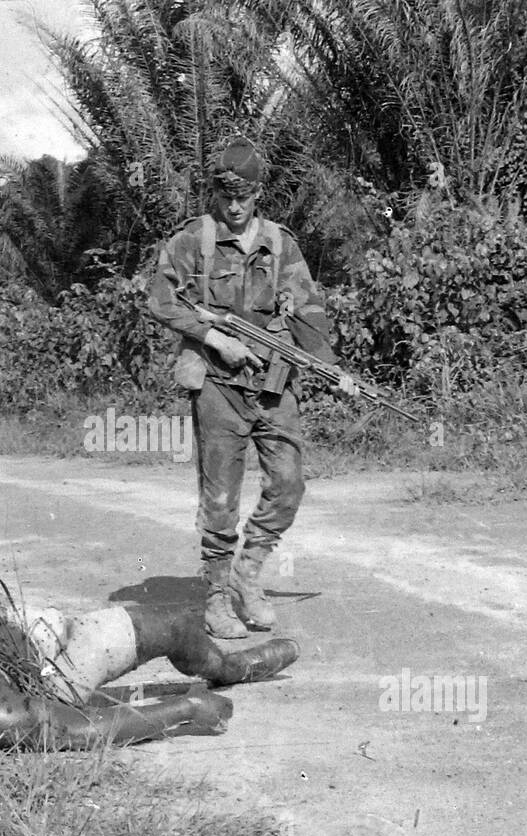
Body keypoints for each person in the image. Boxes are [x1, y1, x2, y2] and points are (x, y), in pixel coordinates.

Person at [148, 137, 356, 639]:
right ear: (214, 194)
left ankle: (247, 574)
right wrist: (212, 336)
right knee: (220, 498)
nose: (235, 207)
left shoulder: (280, 242)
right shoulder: (192, 240)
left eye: (244, 197)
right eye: (225, 197)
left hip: (273, 382)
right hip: (218, 385)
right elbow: (159, 298)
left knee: (288, 483)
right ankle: (217, 598)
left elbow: (308, 309)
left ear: (259, 193)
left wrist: (332, 368)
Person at [0, 587, 299, 750]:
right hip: (49, 681)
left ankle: (229, 665)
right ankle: (223, 673)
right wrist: (184, 708)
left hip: (18, 657)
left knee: (170, 623)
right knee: (164, 624)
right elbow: (77, 729)